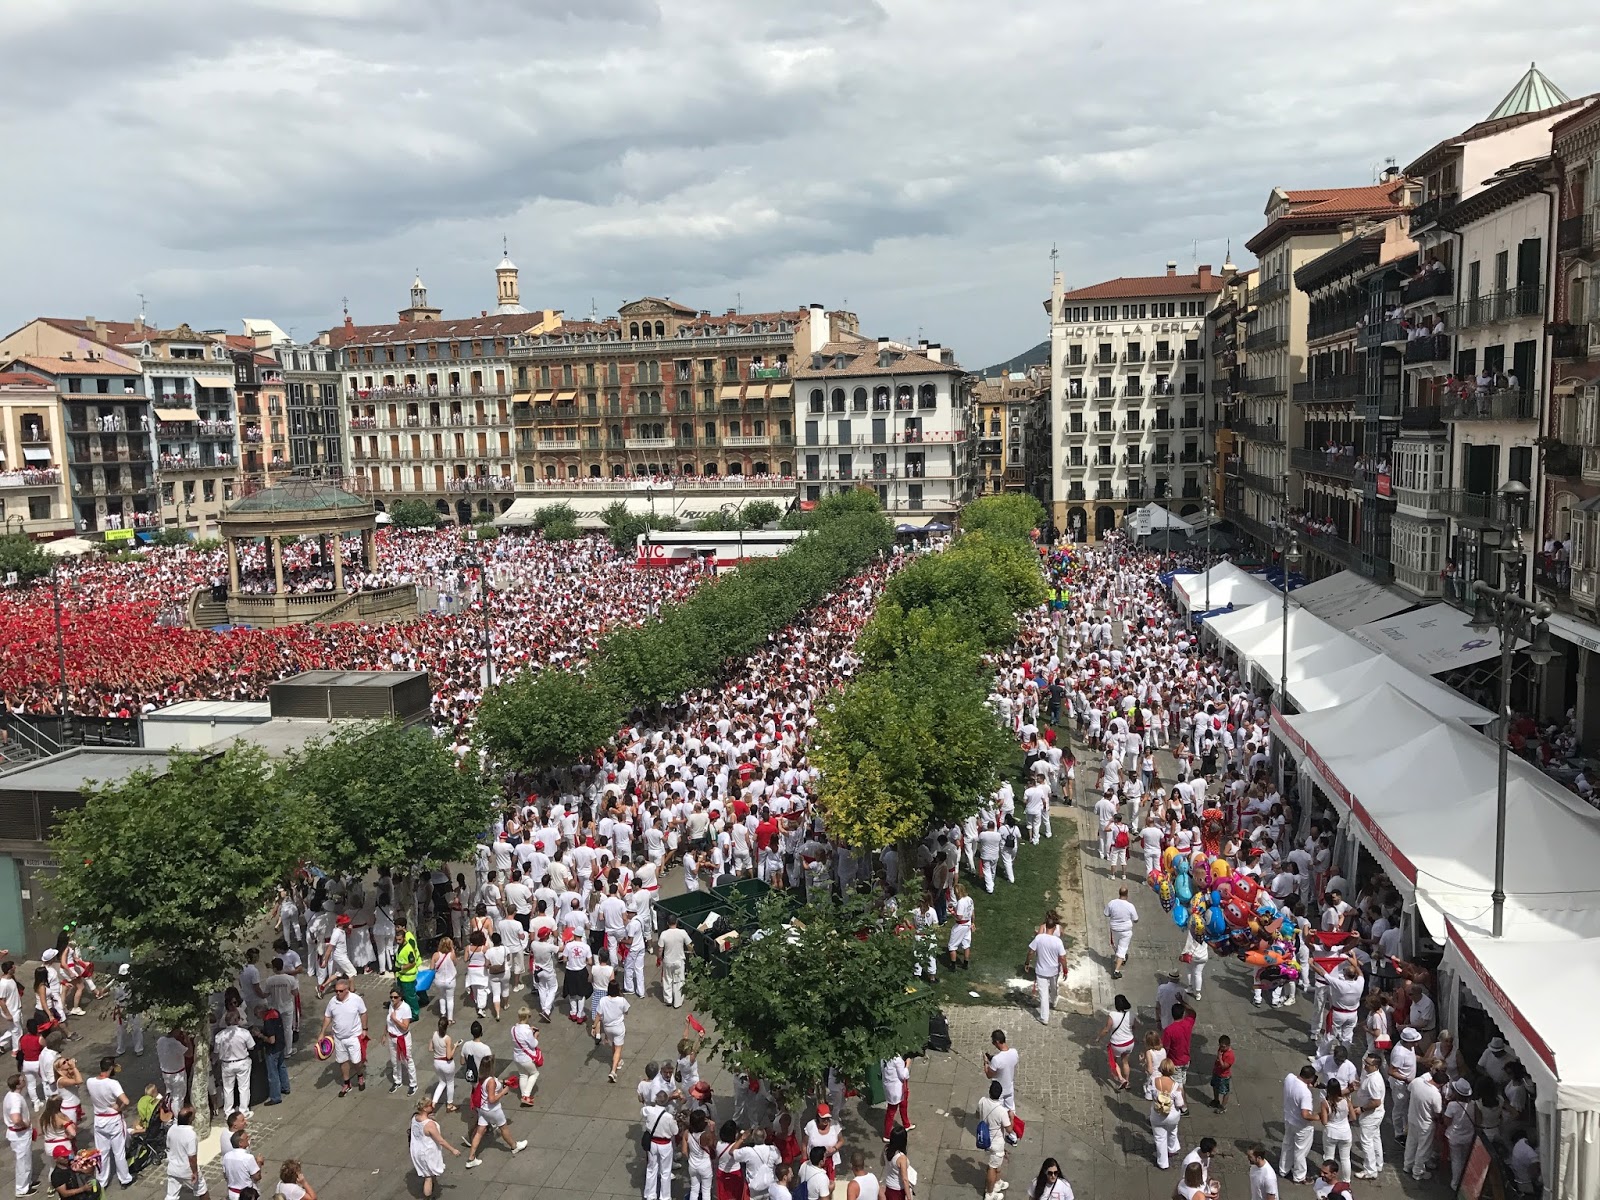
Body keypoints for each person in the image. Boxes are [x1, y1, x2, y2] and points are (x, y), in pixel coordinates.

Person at [462, 1058, 526, 1167]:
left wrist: (504, 1082)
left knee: (479, 1132)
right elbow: (492, 1099)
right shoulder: (491, 1080)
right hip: (493, 1109)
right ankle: (514, 1146)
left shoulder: (482, 1077)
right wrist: (503, 1092)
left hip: (482, 1109)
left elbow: (494, 1082)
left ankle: (471, 1158)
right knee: (503, 1127)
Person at [85, 1055, 133, 1189]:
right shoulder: (112, 1084)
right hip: (113, 1120)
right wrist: (119, 1107)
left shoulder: (90, 1082)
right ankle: (125, 1178)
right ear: (111, 1068)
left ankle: (102, 1180)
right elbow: (126, 1101)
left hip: (99, 1120)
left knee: (102, 1152)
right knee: (119, 1152)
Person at [318, 976, 368, 1098]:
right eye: (336, 991)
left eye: (340, 991)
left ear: (347, 990)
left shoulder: (356, 999)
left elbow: (363, 1013)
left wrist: (365, 1029)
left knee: (357, 1061)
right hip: (339, 1038)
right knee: (342, 1061)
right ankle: (347, 1083)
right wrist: (322, 1032)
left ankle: (360, 1075)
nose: (338, 993)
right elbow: (328, 1017)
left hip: (353, 1036)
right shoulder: (332, 1002)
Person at [409, 1098, 459, 1198]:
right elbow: (440, 1140)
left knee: (428, 1173)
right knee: (428, 1178)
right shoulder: (429, 1125)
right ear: (424, 1108)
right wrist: (453, 1150)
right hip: (426, 1153)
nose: (432, 1106)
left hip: (416, 1150)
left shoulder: (415, 1117)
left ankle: (431, 1185)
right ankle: (427, 1196)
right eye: (430, 1105)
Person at [1403, 1067, 1447, 1181]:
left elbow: (1409, 1089)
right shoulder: (1435, 1094)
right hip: (1425, 1125)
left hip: (1412, 1118)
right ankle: (1418, 1172)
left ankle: (1407, 1165)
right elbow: (1437, 1113)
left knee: (1411, 1143)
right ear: (1441, 1084)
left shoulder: (1417, 1081)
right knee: (1423, 1149)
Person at [1025, 914, 1066, 1027]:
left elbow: (1031, 952)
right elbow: (1062, 958)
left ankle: (1044, 1017)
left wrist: (1027, 962)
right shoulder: (1058, 941)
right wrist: (1065, 970)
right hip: (1054, 970)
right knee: (1053, 987)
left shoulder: (1038, 938)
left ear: (1046, 926)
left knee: (1043, 994)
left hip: (1041, 971)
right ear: (1054, 928)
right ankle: (1054, 1001)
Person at [1279, 1065, 1318, 1184]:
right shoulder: (1305, 1093)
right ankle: (1299, 1176)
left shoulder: (1289, 1078)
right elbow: (1305, 1114)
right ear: (1310, 1078)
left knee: (1287, 1145)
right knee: (1300, 1151)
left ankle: (1283, 1169)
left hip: (1289, 1119)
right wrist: (1317, 1117)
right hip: (1302, 1126)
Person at [641, 1089, 680, 1200]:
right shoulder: (668, 1117)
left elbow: (642, 1111)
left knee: (651, 1168)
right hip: (665, 1145)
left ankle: (650, 1194)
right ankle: (665, 1197)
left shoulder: (649, 1110)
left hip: (652, 1143)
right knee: (665, 1171)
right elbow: (675, 1132)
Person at [976, 1080, 1012, 1200]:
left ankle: (998, 1182)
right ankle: (990, 1193)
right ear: (1000, 1094)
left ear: (989, 1092)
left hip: (985, 1138)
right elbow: (1009, 1129)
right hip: (996, 1143)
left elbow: (977, 1115)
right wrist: (1011, 1117)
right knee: (992, 1167)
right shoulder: (1001, 1111)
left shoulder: (982, 1101)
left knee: (997, 1162)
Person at [1352, 1053, 1385, 1179]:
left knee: (1366, 1141)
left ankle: (1370, 1170)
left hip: (1370, 1115)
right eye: (1365, 1062)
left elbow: (1376, 1102)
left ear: (1376, 1066)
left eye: (1368, 1064)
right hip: (1375, 1114)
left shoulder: (1374, 1080)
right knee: (1375, 1137)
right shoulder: (1370, 1076)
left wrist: (1361, 1109)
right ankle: (1378, 1163)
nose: (1365, 1065)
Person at [1442, 1076, 1478, 1191]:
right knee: (1465, 1159)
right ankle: (1465, 1181)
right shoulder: (1473, 1105)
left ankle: (1455, 1183)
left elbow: (1446, 1122)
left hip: (1455, 1137)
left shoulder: (1452, 1105)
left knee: (1456, 1160)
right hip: (1469, 1137)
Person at [164, 1105, 205, 1200]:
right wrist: (194, 1172)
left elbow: (168, 1147)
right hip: (186, 1170)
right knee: (202, 1190)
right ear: (190, 1119)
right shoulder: (191, 1134)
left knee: (171, 1195)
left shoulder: (172, 1129)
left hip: (173, 1167)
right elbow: (192, 1157)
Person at [1148, 1060, 1182, 1169]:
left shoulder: (1154, 1081)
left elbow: (1148, 1096)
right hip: (1172, 1115)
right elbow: (1180, 1103)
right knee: (1173, 1130)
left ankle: (1163, 1163)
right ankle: (1172, 1148)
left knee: (1159, 1138)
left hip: (1158, 1115)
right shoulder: (1176, 1086)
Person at [6, 1073, 35, 1199]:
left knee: (26, 1159)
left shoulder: (10, 1095)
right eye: (22, 1080)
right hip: (20, 1134)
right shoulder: (16, 1099)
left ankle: (28, 1182)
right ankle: (21, 1188)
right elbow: (16, 1118)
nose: (25, 1080)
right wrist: (25, 1124)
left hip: (18, 1134)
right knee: (23, 1162)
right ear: (18, 1084)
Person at [1098, 994, 1136, 1091]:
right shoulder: (1131, 1014)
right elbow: (1134, 1028)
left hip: (1117, 1044)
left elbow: (1106, 1029)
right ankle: (1127, 1082)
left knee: (1114, 1061)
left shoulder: (1113, 1015)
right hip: (1129, 1043)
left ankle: (1121, 1079)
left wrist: (1099, 1038)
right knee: (1125, 1062)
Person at [595, 980, 630, 1083]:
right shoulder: (622, 1000)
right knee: (618, 1048)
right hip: (618, 1027)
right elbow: (626, 1011)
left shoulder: (603, 1000)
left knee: (614, 1044)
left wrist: (594, 1026)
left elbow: (598, 1015)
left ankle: (618, 1061)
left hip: (607, 1027)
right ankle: (613, 1071)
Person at [384, 988, 417, 1096]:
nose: (393, 999)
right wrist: (385, 1034)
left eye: (395, 997)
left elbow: (405, 1026)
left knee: (407, 1060)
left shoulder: (405, 1008)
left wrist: (395, 1020)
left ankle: (413, 1084)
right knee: (394, 1061)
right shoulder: (391, 1006)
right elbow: (388, 1021)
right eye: (391, 997)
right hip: (392, 1037)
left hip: (402, 1038)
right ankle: (397, 1081)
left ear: (400, 997)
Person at [1318, 1080, 1353, 1182]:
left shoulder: (1325, 1103)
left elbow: (1324, 1122)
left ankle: (1328, 1179)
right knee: (1345, 1159)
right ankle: (1346, 1181)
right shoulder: (1347, 1101)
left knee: (1329, 1158)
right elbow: (1353, 1117)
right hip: (1345, 1133)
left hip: (1331, 1133)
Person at [657, 914, 693, 1009]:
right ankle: (678, 1002)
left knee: (667, 979)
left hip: (668, 960)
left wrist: (659, 958)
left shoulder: (664, 934)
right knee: (679, 981)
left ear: (667, 923)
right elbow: (689, 945)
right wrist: (692, 953)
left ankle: (668, 1000)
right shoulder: (682, 932)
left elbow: (660, 949)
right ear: (676, 922)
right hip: (679, 961)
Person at [1104, 886, 1138, 979]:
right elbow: (1136, 919)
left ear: (1119, 893)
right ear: (1127, 894)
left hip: (1114, 929)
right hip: (1126, 931)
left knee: (1116, 945)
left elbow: (1106, 913)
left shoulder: (1112, 903)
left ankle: (1119, 957)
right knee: (1122, 948)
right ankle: (1117, 970)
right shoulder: (1130, 906)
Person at [509, 1008, 541, 1106]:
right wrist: (535, 1036)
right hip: (526, 1058)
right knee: (534, 1074)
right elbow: (533, 1044)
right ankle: (526, 1095)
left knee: (523, 1075)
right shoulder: (527, 1031)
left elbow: (520, 1036)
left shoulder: (513, 1029)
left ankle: (524, 1096)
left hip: (517, 1056)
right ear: (527, 1017)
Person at [221, 1130, 263, 1200]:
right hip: (247, 1196)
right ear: (240, 1143)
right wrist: (259, 1163)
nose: (248, 1139)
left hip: (232, 1194)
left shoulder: (226, 1157)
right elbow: (257, 1177)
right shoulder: (248, 1157)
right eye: (246, 1138)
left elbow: (225, 1175)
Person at [984, 1031, 1019, 1111]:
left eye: (993, 1042)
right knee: (1011, 1111)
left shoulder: (996, 1059)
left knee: (998, 1112)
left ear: (997, 1042)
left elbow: (989, 1075)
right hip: (1009, 1087)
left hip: (999, 1090)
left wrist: (986, 1062)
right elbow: (1006, 1063)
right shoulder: (1014, 1052)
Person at [881, 1054, 911, 1140]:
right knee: (891, 1111)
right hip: (897, 1088)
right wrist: (907, 1064)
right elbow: (904, 1076)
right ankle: (887, 1135)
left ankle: (906, 1124)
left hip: (889, 1085)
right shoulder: (897, 1059)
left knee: (903, 1104)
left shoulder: (883, 1056)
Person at [947, 884, 975, 971]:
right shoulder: (969, 899)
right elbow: (973, 913)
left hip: (960, 925)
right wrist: (973, 923)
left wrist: (952, 912)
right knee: (966, 944)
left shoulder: (961, 902)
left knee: (952, 946)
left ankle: (953, 966)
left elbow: (959, 917)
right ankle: (965, 964)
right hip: (968, 923)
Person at [881, 1129, 911, 1200]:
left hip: (889, 1186)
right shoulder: (901, 1158)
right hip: (898, 1190)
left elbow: (882, 1163)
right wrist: (909, 1197)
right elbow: (905, 1179)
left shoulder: (886, 1149)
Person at [1208, 1035, 1234, 1112]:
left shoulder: (1230, 1055)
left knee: (1225, 1091)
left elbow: (1224, 1066)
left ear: (1228, 1045)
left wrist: (1219, 1057)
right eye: (1220, 1046)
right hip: (1217, 1072)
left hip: (1224, 1076)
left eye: (1223, 1047)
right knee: (1215, 1086)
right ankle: (1216, 1100)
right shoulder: (1221, 1050)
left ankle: (1223, 1106)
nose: (1221, 1048)